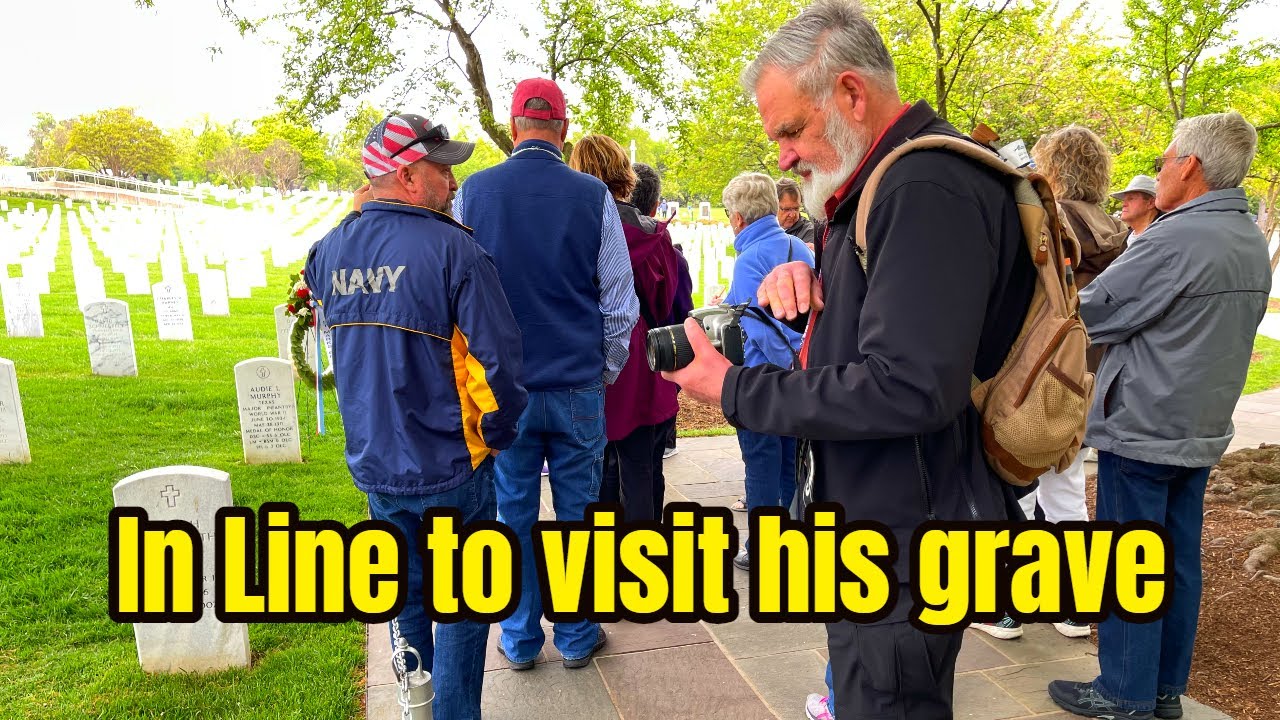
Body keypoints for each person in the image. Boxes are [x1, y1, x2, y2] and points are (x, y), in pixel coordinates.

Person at [663, 1, 1035, 717]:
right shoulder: (882, 182)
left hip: (904, 547)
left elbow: (909, 387)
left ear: (851, 94)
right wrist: (812, 281)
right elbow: (900, 325)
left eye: (792, 131)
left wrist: (735, 387)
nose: (783, 157)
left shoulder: (924, 185)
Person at [1048, 113, 1270, 720]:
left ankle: (1122, 693)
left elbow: (1094, 311)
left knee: (1129, 562)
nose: (1162, 167)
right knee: (1178, 561)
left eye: (1168, 159)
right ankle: (1163, 690)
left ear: (1190, 168)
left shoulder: (1176, 238)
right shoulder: (1248, 237)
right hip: (1198, 428)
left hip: (1144, 428)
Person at [305, 113, 527, 718]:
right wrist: (499, 433)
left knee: (403, 596)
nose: (454, 181)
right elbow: (498, 365)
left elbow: (315, 271)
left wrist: (359, 216)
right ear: (407, 176)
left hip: (376, 464)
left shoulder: (331, 250)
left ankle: (414, 704)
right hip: (453, 466)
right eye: (442, 169)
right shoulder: (456, 250)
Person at [453, 79, 639, 671]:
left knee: (512, 514)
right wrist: (601, 372)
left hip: (505, 389)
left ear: (513, 129)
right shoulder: (593, 197)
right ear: (562, 129)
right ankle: (578, 634)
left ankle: (520, 637)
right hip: (576, 382)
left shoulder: (474, 194)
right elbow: (618, 303)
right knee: (579, 516)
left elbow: (460, 297)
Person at [973, 124, 1125, 642]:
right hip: (1084, 374)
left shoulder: (1050, 222)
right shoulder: (1115, 230)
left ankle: (1006, 606)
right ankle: (1075, 606)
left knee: (1004, 482)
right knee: (1064, 490)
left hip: (1031, 370)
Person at [569, 137, 681, 522]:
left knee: (594, 473)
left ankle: (602, 563)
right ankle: (646, 561)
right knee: (643, 471)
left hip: (588, 355)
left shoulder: (571, 227)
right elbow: (666, 305)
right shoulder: (652, 233)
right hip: (643, 359)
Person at [716, 172, 814, 569]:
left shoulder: (749, 259)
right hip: (803, 373)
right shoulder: (798, 247)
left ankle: (761, 548)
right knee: (790, 458)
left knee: (760, 462)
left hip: (761, 379)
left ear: (738, 218)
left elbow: (754, 327)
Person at [631, 163, 694, 461]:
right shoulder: (674, 259)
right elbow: (684, 322)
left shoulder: (599, 252)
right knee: (647, 472)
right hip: (660, 373)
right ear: (656, 206)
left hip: (614, 379)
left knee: (607, 473)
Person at [776, 177, 817, 249]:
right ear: (774, 206)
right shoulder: (762, 227)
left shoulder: (808, 232)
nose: (792, 215)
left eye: (796, 208)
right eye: (787, 209)